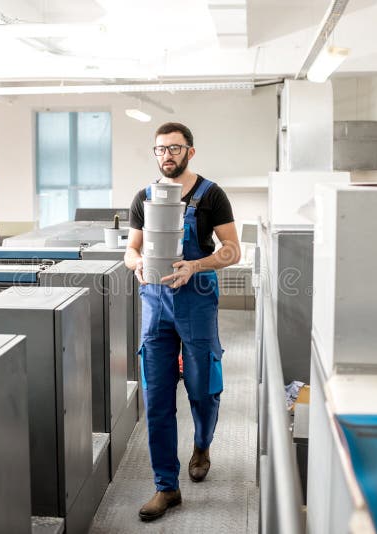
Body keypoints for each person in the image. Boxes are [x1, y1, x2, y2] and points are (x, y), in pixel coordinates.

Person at [125, 122, 241, 521]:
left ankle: (202, 444)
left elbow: (232, 251)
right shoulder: (144, 197)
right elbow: (131, 250)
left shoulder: (211, 196)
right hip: (155, 305)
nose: (166, 155)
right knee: (156, 398)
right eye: (160, 149)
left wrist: (196, 264)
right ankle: (166, 487)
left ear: (190, 151)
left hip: (196, 300)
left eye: (174, 148)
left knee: (202, 389)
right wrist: (137, 262)